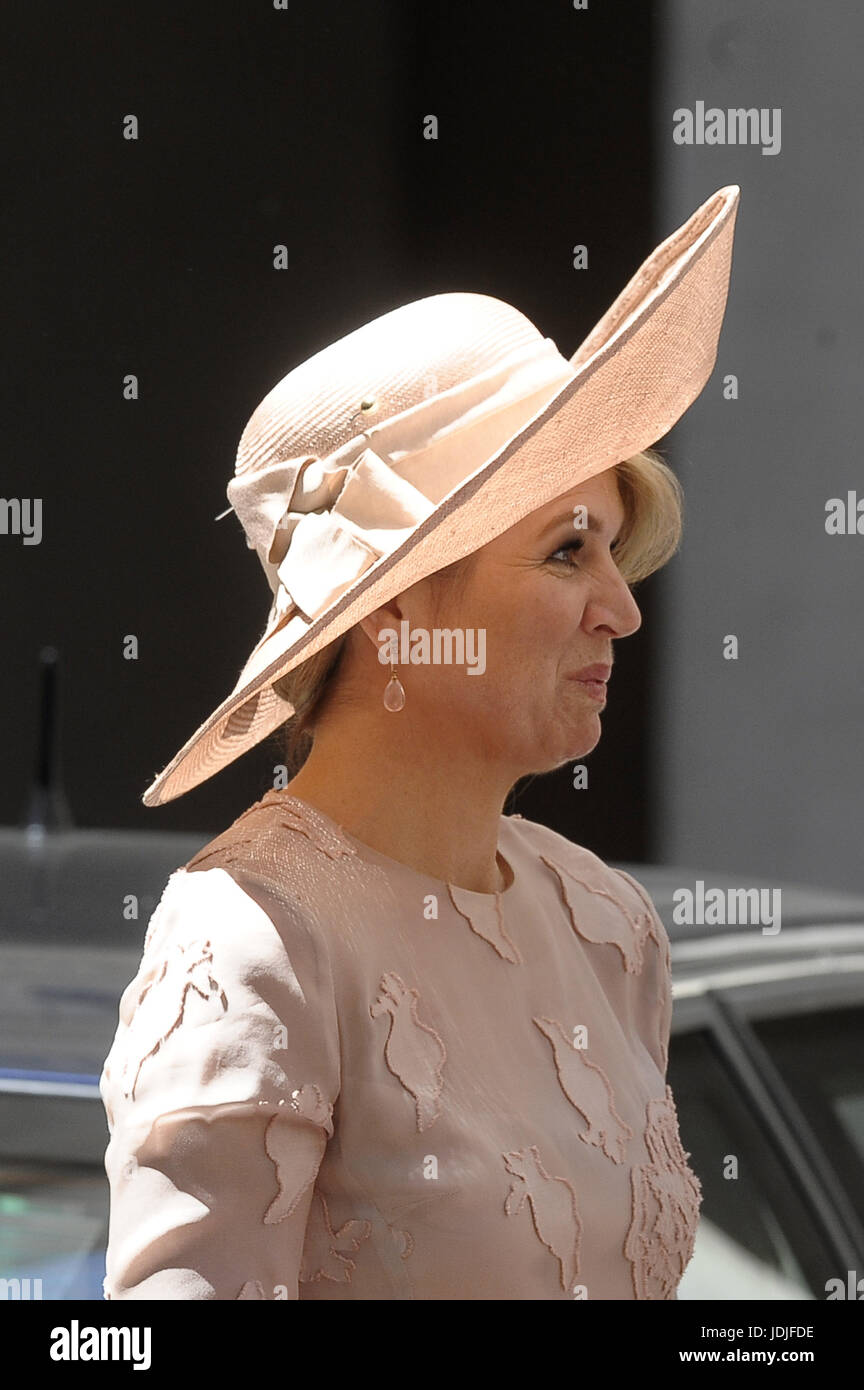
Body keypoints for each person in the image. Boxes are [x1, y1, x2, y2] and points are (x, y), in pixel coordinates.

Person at [99, 184, 740, 1300]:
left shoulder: (606, 925)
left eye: (611, 552)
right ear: (390, 609)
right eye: (564, 553)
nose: (621, 608)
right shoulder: (255, 943)